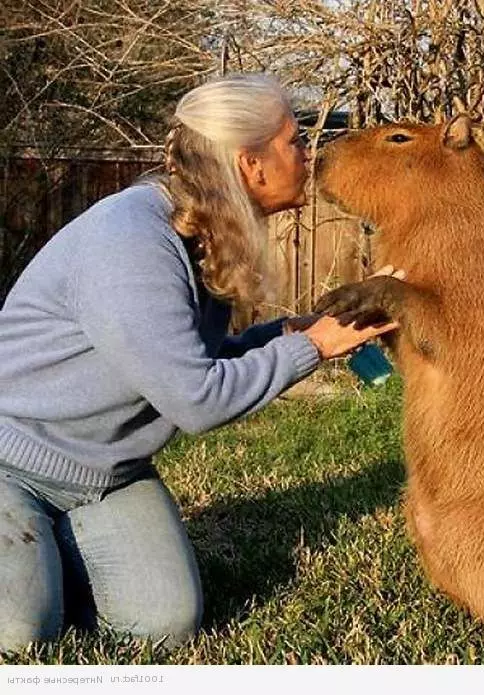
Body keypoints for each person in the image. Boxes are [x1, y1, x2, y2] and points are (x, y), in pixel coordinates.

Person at [0, 73, 400, 652]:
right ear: (251, 165)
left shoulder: (201, 235)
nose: (307, 155)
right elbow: (197, 398)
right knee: (18, 636)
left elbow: (195, 361)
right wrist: (314, 346)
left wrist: (290, 332)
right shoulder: (132, 240)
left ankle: (52, 552)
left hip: (109, 475)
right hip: (12, 461)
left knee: (162, 625)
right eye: (294, 141)